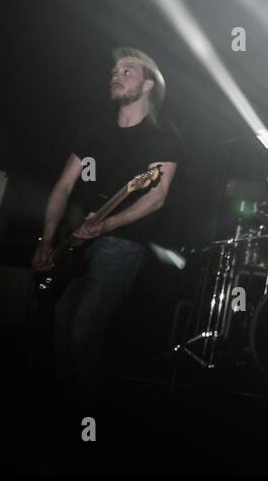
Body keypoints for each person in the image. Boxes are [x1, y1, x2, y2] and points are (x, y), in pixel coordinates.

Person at [33, 46, 182, 419]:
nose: (116, 75)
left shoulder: (163, 135)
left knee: (84, 328)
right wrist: (47, 239)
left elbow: (156, 197)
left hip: (122, 242)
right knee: (61, 325)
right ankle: (63, 410)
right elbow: (63, 187)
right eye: (114, 71)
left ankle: (89, 420)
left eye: (128, 70)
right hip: (75, 240)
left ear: (148, 85)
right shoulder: (95, 130)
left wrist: (107, 224)